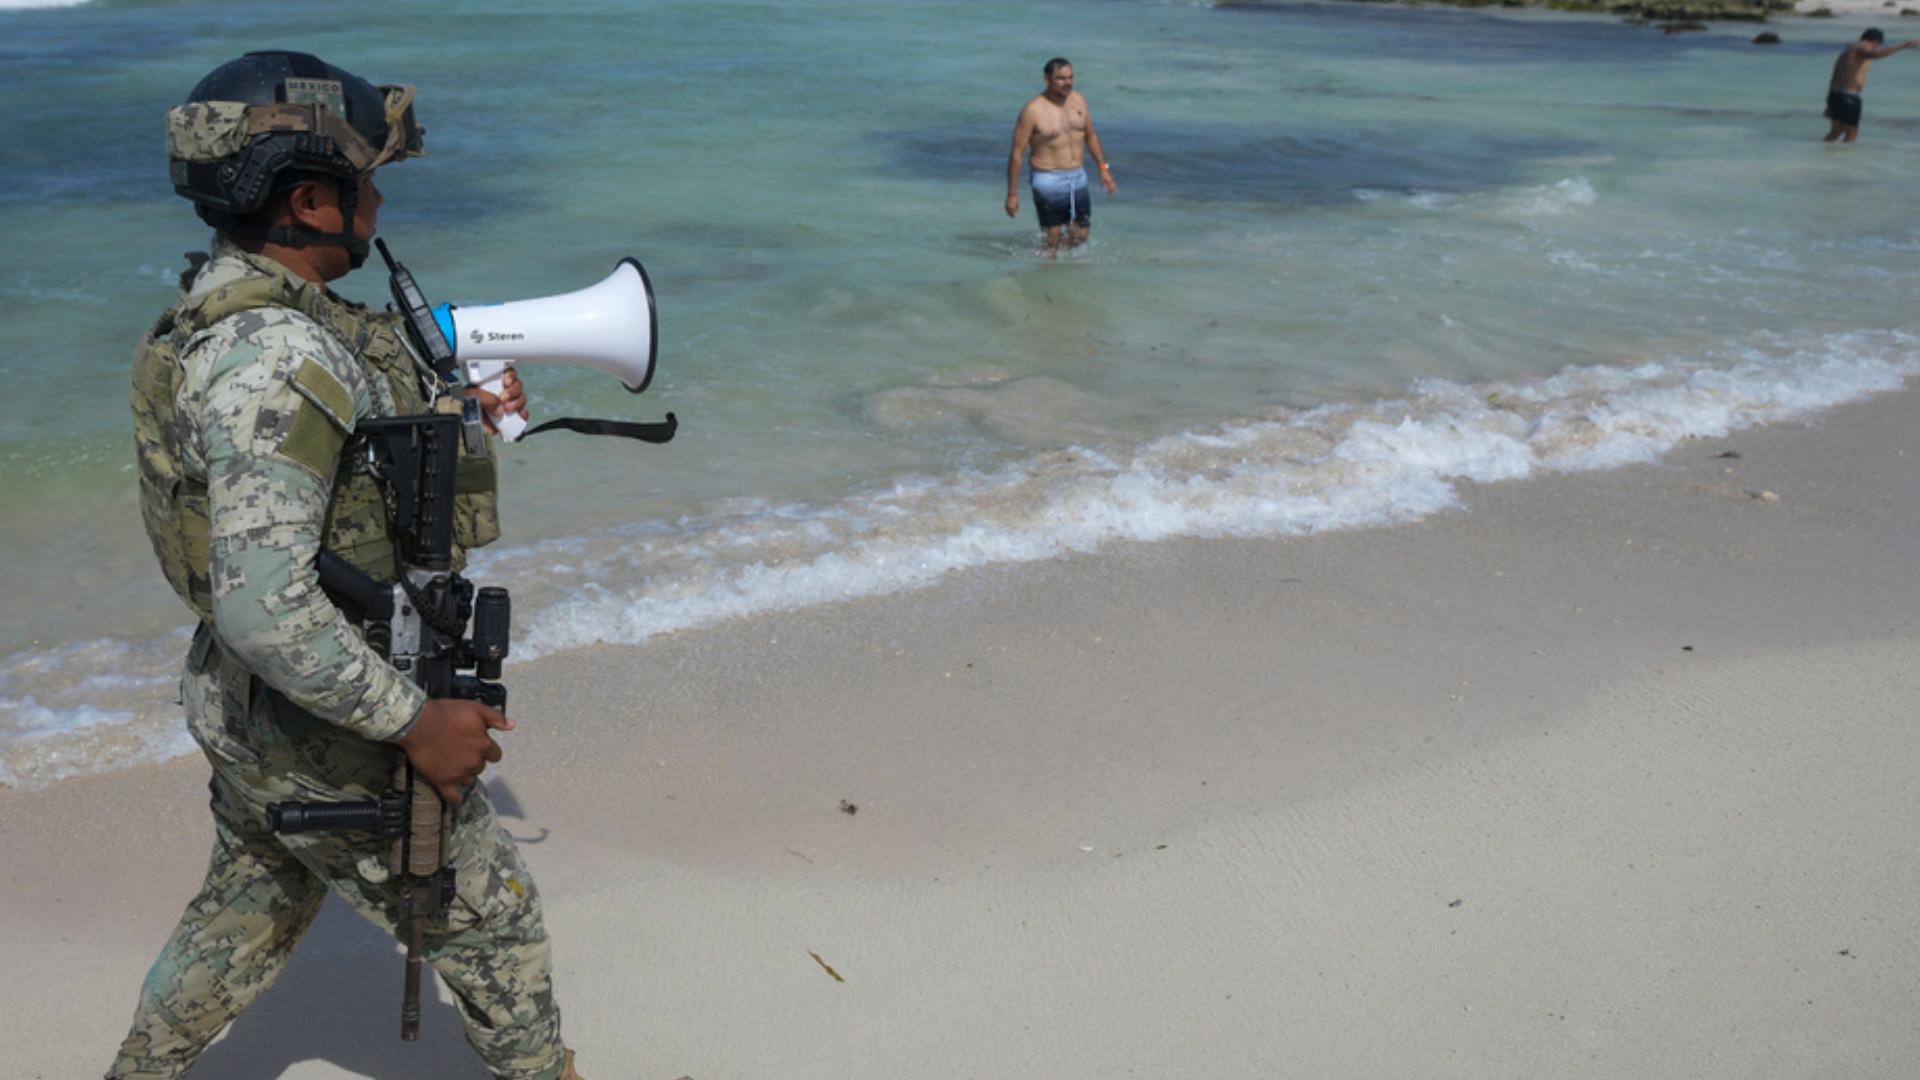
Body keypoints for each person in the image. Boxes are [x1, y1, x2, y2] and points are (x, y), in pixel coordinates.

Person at [111, 51, 585, 1080]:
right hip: (316, 717)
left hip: (258, 710)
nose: (377, 201)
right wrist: (417, 722)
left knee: (247, 912)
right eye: (364, 183)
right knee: (495, 929)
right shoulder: (277, 356)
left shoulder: (245, 311)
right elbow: (264, 607)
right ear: (309, 200)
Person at [1004, 56, 1118, 254]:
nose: (1068, 83)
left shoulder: (1078, 101)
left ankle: (1057, 266)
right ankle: (1046, 275)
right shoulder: (1033, 110)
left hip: (1077, 176)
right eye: (1061, 79)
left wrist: (1103, 168)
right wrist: (1012, 194)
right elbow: (1017, 153)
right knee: (1053, 237)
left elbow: (1090, 136)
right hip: (1048, 178)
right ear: (1047, 79)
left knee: (1081, 235)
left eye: (1071, 78)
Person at [1824, 29, 1919, 143]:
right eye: (1878, 45)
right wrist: (1902, 46)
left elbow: (1834, 76)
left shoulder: (1847, 50)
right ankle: (1845, 159)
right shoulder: (1864, 46)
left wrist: (1829, 102)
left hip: (1836, 94)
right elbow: (1873, 55)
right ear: (1875, 41)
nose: (1877, 48)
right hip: (1848, 97)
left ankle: (1823, 156)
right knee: (1852, 133)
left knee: (1835, 132)